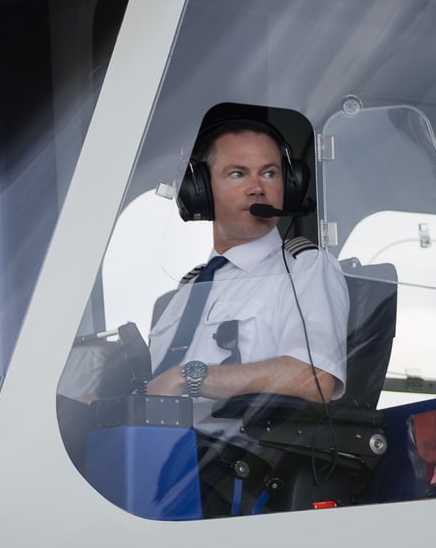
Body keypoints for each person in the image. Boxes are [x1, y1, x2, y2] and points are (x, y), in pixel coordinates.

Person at [145, 119, 349, 513]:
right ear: (200, 190)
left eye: (269, 173)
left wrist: (191, 377)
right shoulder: (185, 291)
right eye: (238, 174)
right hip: (156, 456)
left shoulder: (305, 267)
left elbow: (315, 377)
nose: (258, 187)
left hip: (231, 469)